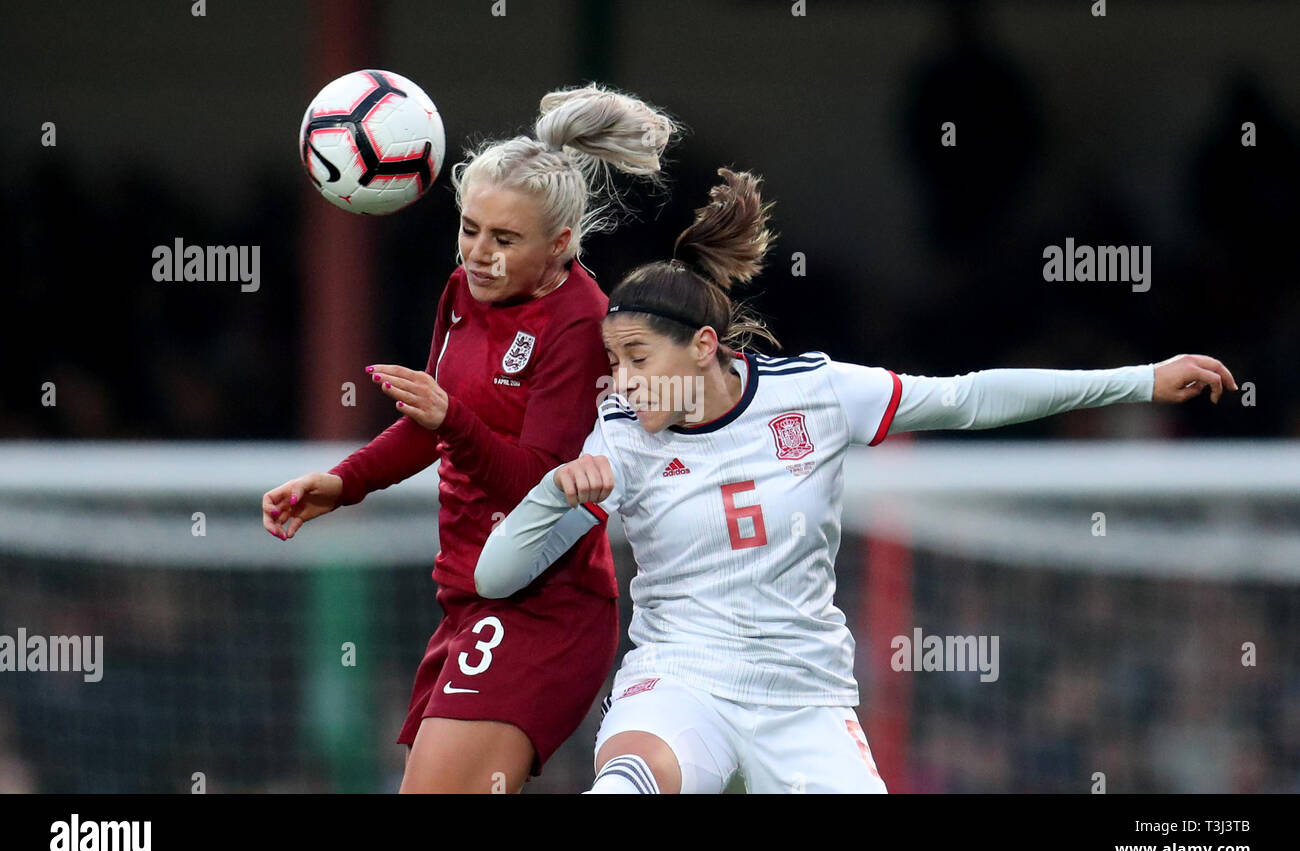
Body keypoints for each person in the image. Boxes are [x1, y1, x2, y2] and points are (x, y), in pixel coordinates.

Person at [474, 168, 1238, 794]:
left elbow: (968, 398)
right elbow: (496, 575)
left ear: (704, 346)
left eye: (638, 359)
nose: (622, 382)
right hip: (680, 681)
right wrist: (553, 495)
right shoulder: (616, 441)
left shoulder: (817, 393)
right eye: (613, 363)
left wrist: (1137, 380)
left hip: (803, 695)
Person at [261, 85, 677, 793]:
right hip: (466, 597)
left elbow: (540, 489)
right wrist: (345, 482)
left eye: (504, 239)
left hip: (544, 604)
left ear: (561, 244)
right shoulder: (463, 291)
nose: (479, 254)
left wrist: (451, 417)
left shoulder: (580, 325)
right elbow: (432, 422)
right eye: (470, 229)